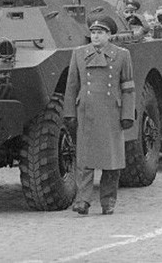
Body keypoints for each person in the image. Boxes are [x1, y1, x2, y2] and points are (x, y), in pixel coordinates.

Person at [63, 16, 135, 215]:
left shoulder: (122, 55)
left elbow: (128, 87)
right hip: (86, 112)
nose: (95, 36)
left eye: (100, 33)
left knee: (111, 161)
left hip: (112, 113)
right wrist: (69, 112)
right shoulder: (78, 54)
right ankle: (82, 200)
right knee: (84, 159)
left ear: (109, 35)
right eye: (93, 32)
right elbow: (71, 85)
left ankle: (108, 201)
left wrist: (128, 114)